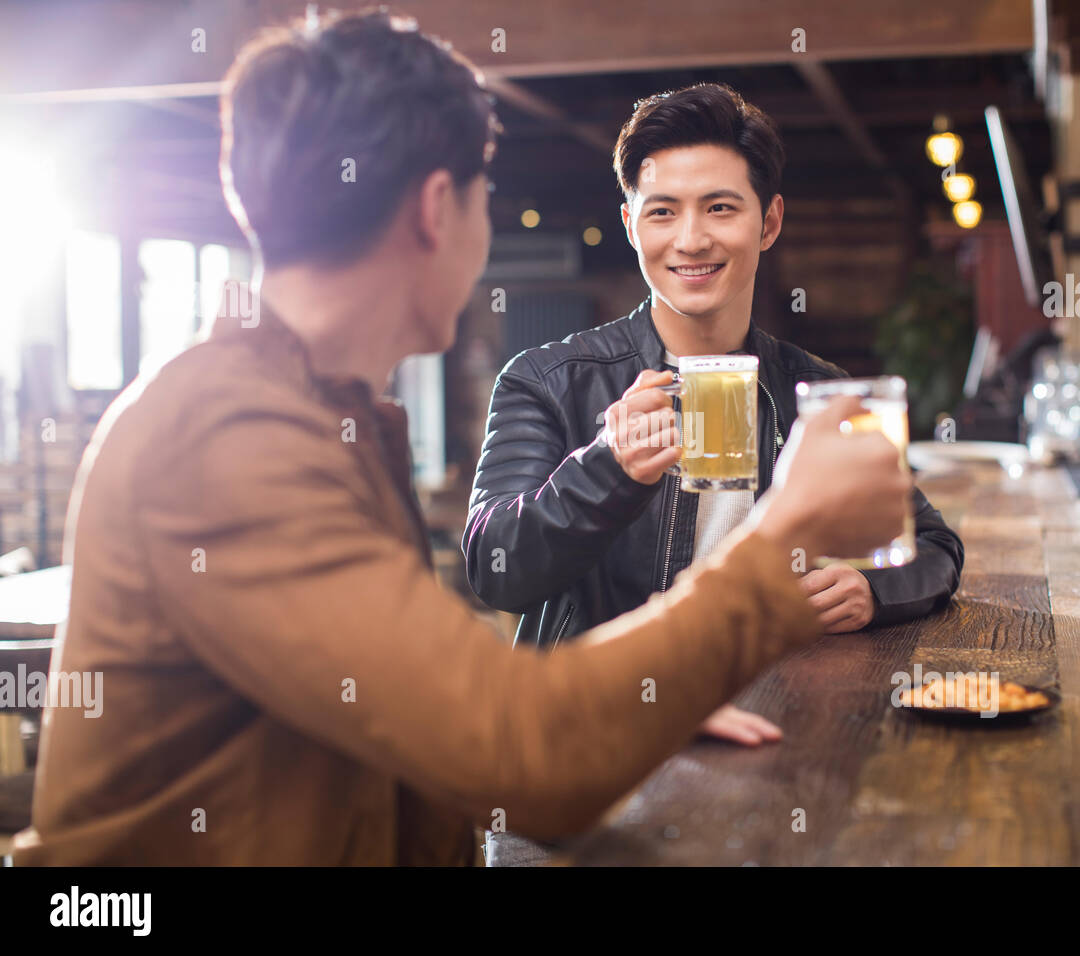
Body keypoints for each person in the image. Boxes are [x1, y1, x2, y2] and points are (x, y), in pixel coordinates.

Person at [13, 10, 910, 866]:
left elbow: (430, 704)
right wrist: (785, 534)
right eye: (486, 197)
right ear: (438, 209)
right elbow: (526, 755)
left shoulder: (318, 411)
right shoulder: (224, 438)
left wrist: (647, 697)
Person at [463, 83, 964, 745]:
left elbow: (932, 547)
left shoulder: (818, 392)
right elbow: (494, 567)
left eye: (720, 208)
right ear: (630, 225)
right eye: (663, 212)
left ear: (769, 221)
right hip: (595, 732)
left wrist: (875, 591)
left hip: (777, 721)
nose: (691, 240)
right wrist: (607, 471)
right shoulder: (548, 380)